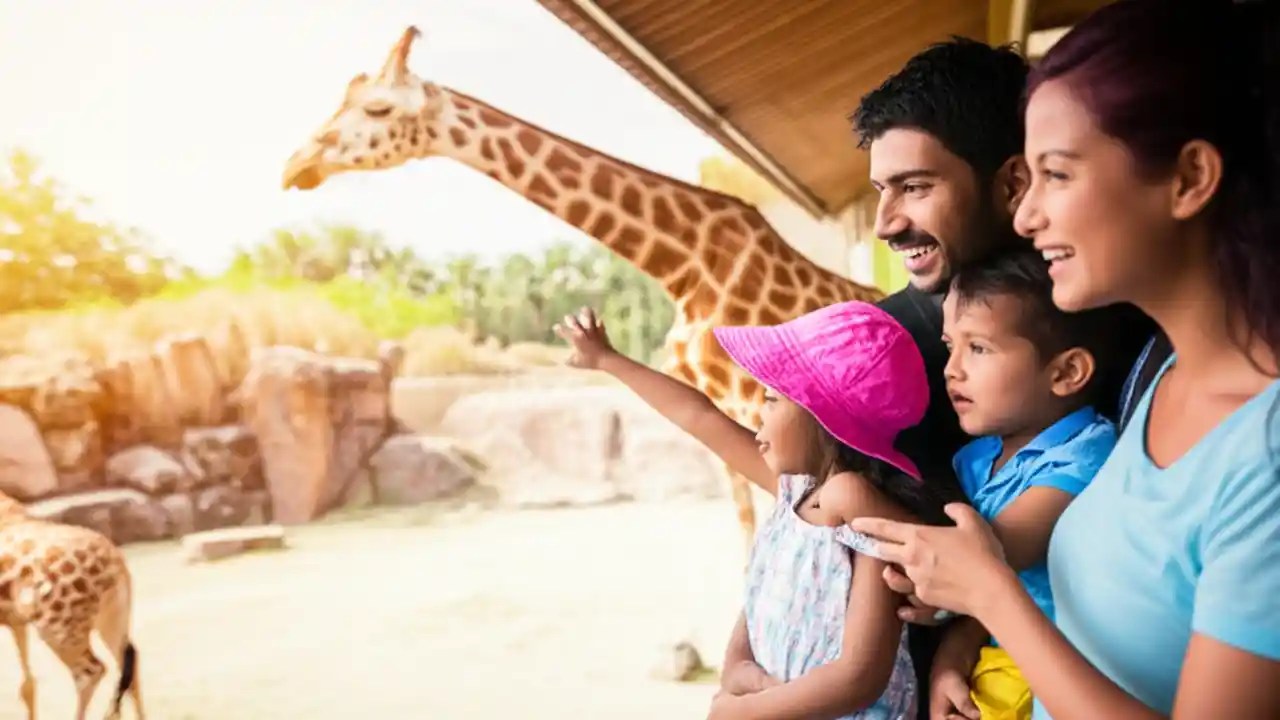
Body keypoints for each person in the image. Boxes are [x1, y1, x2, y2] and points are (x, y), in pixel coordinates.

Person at [850, 1, 1280, 718]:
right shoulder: (1161, 376)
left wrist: (989, 590)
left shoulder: (1262, 448)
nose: (1026, 216)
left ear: (1188, 178)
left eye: (1057, 174)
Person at [555, 302, 953, 719]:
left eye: (771, 399)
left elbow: (860, 677)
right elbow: (699, 415)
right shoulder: (794, 493)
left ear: (825, 416)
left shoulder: (855, 504)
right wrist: (610, 360)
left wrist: (745, 712)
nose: (758, 416)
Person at [941, 248, 1125, 719]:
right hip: (990, 648)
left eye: (977, 348)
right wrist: (952, 653)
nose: (951, 369)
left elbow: (996, 553)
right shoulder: (978, 456)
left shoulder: (1087, 453)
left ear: (1065, 372)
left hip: (1050, 670)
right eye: (950, 347)